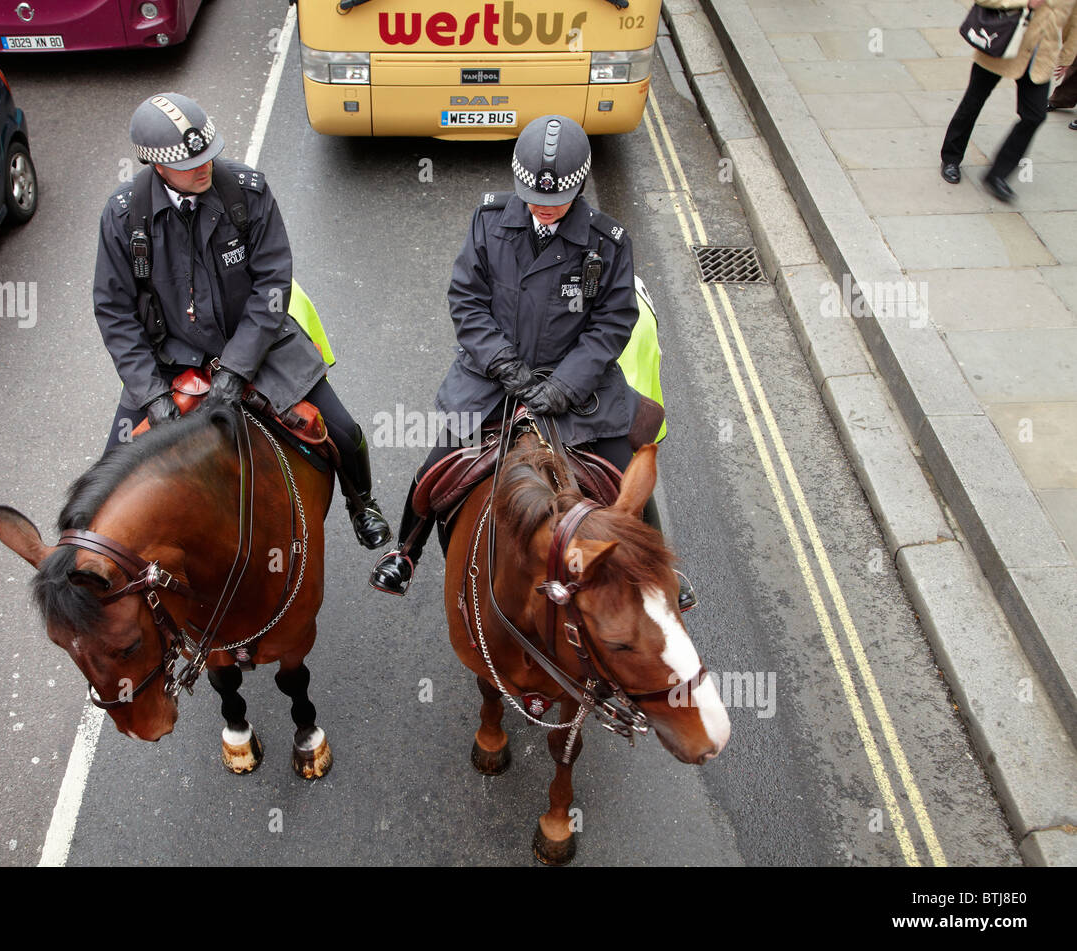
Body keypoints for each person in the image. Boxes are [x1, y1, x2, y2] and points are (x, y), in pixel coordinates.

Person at [368, 115, 688, 607]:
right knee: (434, 469)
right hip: (494, 381)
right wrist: (503, 365)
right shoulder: (490, 219)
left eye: (554, 200)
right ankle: (405, 550)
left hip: (577, 391)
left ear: (579, 187)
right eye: (532, 197)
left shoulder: (609, 243)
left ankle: (657, 562)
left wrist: (563, 386)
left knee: (627, 477)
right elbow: (466, 299)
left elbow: (611, 325)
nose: (540, 208)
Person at [93, 92, 390, 549]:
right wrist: (151, 395)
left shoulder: (246, 193)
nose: (205, 167)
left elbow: (273, 284)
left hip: (260, 345)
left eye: (209, 154)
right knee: (110, 483)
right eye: (190, 162)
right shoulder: (121, 217)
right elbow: (115, 313)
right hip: (171, 360)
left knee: (344, 432)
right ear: (156, 165)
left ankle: (361, 502)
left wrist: (236, 369)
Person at [941, 0, 1077, 201]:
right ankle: (951, 158)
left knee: (1034, 116)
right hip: (1003, 41)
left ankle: (997, 175)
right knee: (973, 101)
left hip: (1040, 57)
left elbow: (1074, 19)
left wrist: (1067, 55)